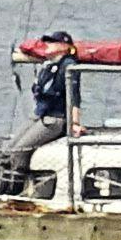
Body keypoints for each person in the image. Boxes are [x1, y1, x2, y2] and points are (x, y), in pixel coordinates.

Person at [12, 28, 87, 198]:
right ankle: (7, 184)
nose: (48, 44)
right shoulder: (49, 65)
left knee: (21, 150)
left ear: (64, 46)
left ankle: (16, 191)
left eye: (52, 42)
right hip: (41, 114)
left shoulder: (68, 66)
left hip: (55, 118)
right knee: (10, 148)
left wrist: (75, 123)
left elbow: (74, 96)